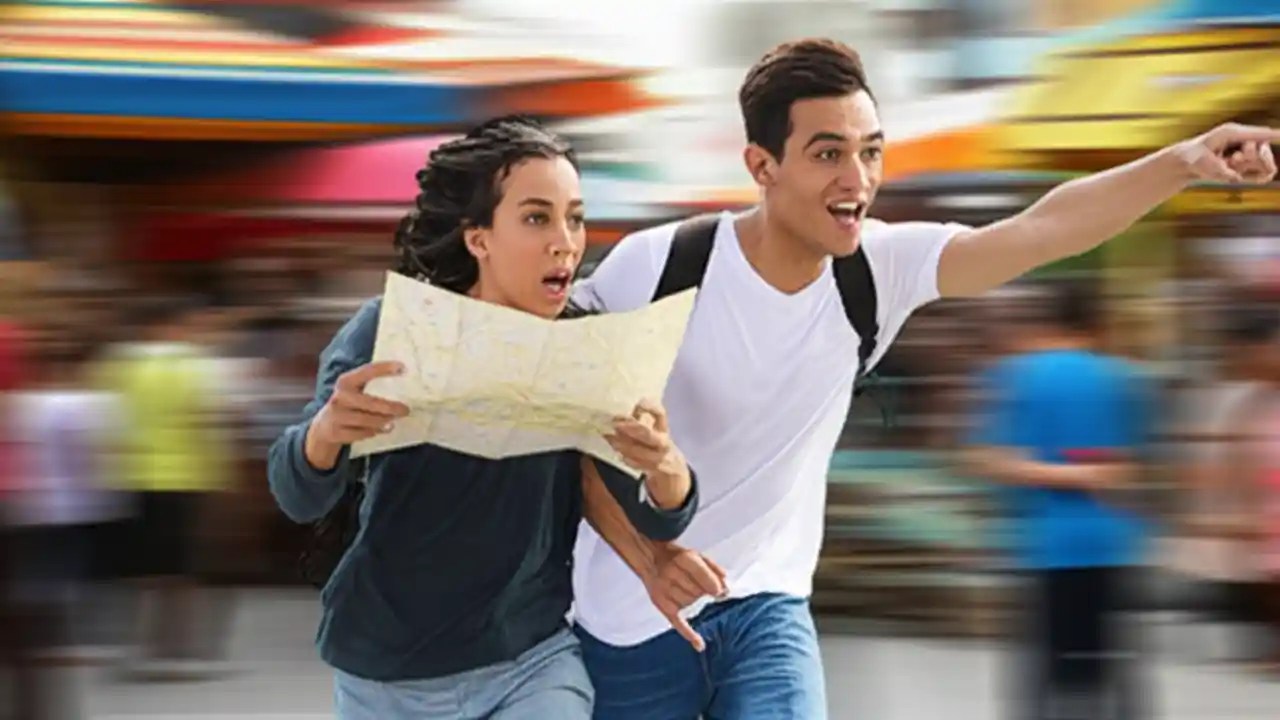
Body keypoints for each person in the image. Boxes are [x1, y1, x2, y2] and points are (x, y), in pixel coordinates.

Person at [569, 37, 1278, 719]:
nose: (858, 179)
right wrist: (650, 558)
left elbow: (1041, 230)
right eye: (828, 154)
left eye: (870, 151)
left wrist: (1183, 162)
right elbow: (563, 418)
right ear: (763, 165)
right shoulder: (658, 267)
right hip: (632, 612)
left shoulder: (877, 272)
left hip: (765, 603)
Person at [266, 116, 700, 720]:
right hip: (386, 677)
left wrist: (668, 467)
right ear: (479, 239)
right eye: (537, 218)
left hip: (532, 663)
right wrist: (325, 435)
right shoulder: (390, 330)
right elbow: (297, 497)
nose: (566, 242)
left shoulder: (589, 350)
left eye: (575, 218)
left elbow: (653, 512)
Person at [965, 278, 1157, 720]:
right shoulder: (1124, 379)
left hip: (1046, 546)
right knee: (1111, 671)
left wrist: (1059, 473)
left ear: (1045, 321)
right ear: (1098, 325)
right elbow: (1131, 467)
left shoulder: (1015, 376)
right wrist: (1092, 474)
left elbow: (991, 460)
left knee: (1050, 675)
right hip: (1113, 543)